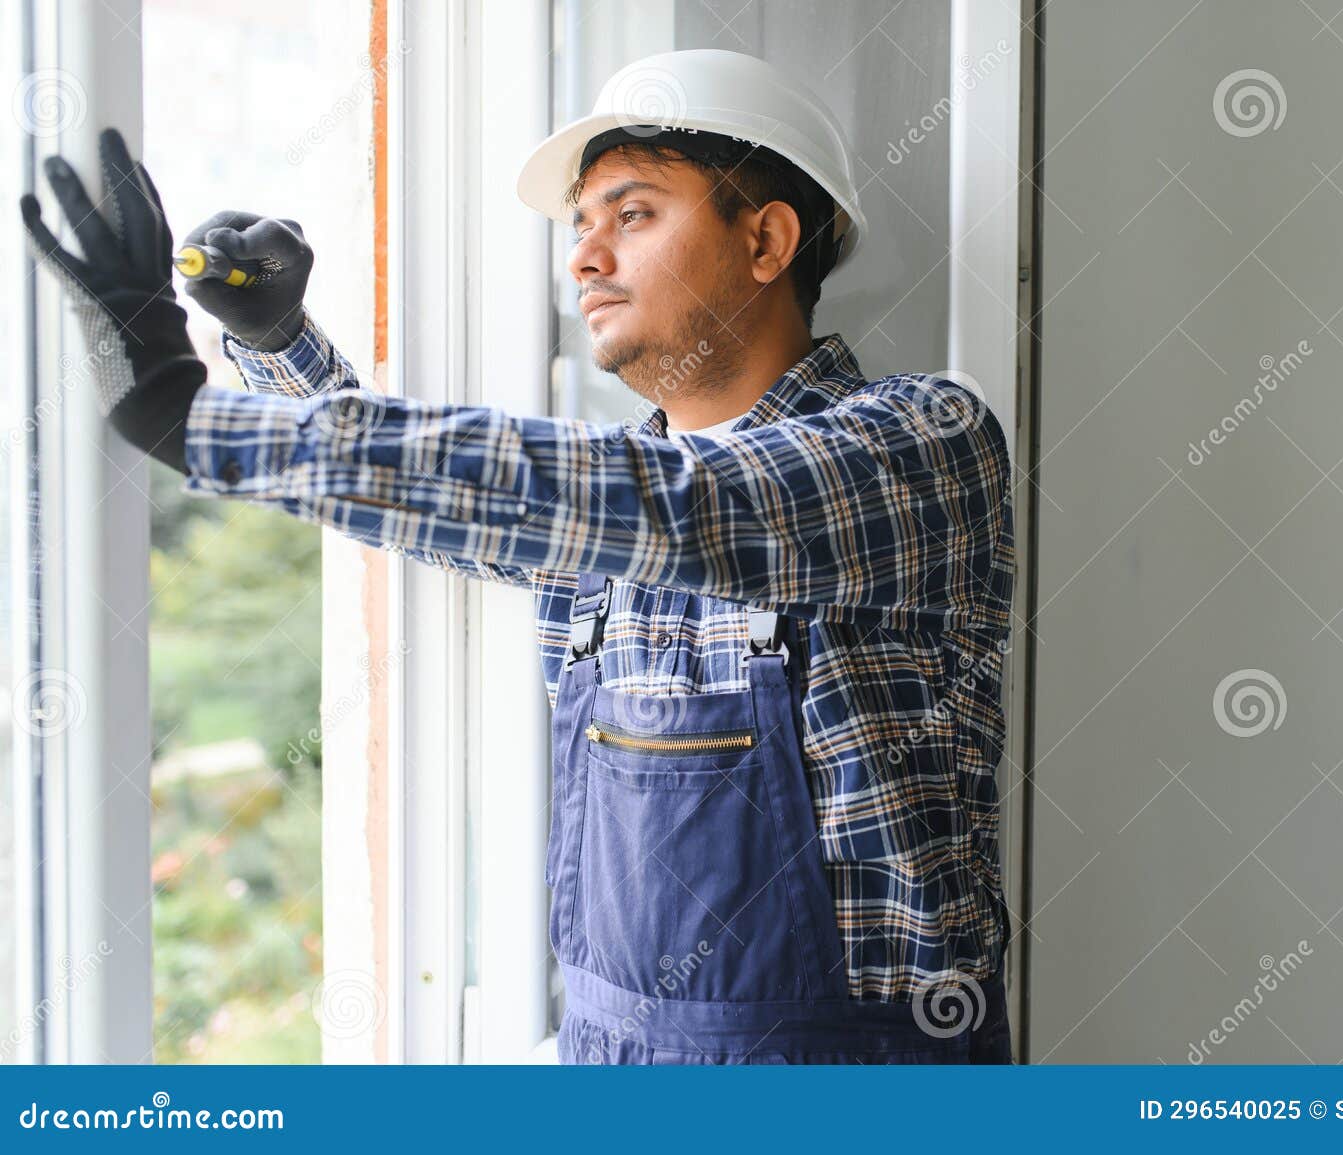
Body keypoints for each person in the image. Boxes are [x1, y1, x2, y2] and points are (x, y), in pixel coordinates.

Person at [19, 48, 1016, 1064]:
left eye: (631, 215)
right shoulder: (598, 513)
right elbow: (452, 502)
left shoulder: (919, 443)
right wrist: (278, 346)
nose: (584, 258)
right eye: (580, 226)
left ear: (765, 238)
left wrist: (197, 425)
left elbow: (687, 511)